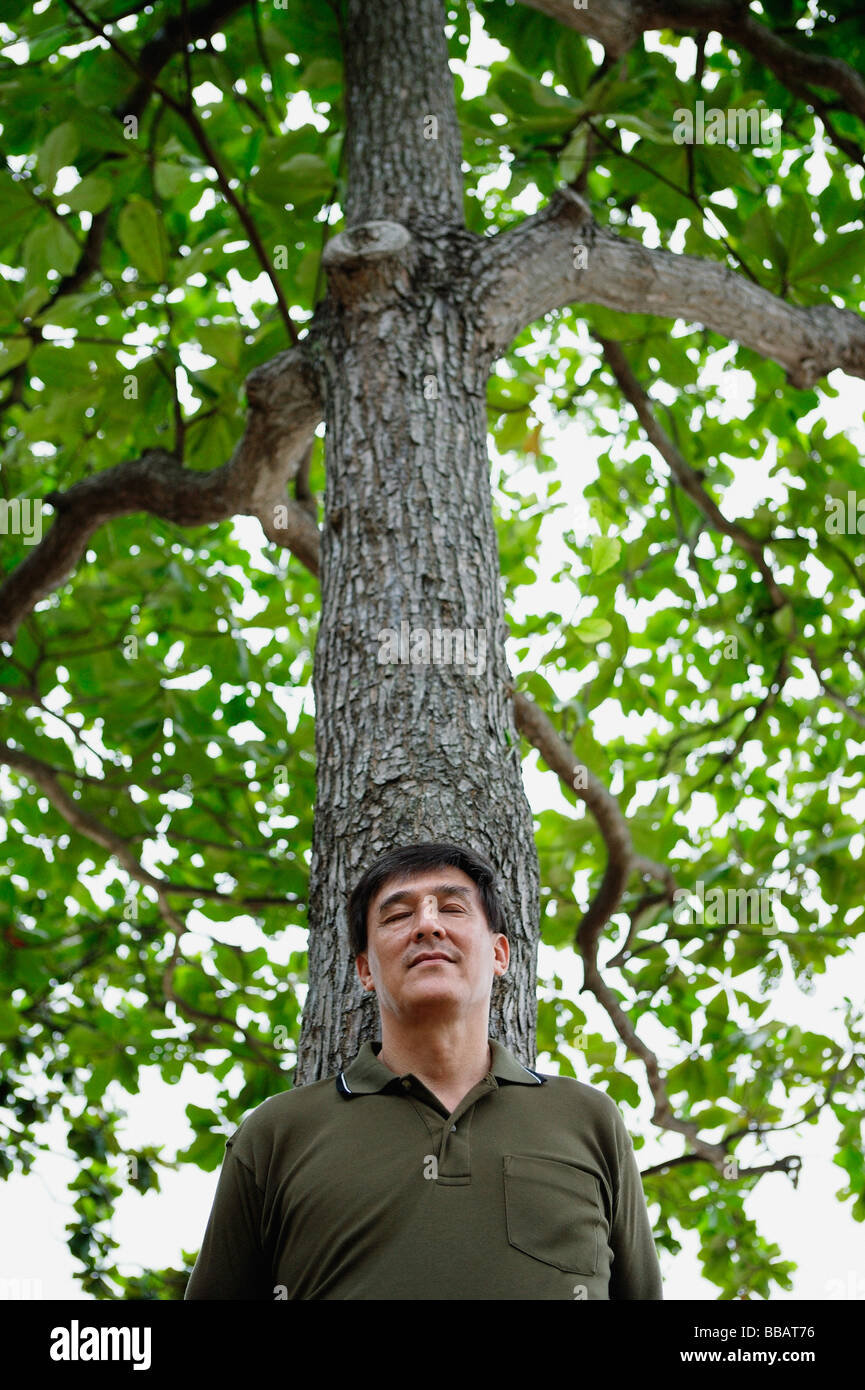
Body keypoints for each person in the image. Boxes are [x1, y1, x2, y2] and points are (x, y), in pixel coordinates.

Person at [184, 841, 663, 1300]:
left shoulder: (588, 1119)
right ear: (365, 970)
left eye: (453, 909)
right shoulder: (276, 1134)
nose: (427, 926)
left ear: (499, 954)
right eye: (397, 915)